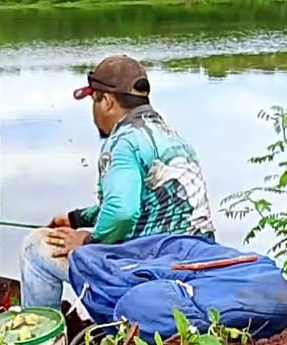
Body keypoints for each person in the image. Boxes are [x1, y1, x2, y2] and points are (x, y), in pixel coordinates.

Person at [20, 54, 217, 310]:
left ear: (108, 102)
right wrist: (77, 219)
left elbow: (123, 212)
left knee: (35, 248)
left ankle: (41, 341)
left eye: (94, 100)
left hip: (148, 272)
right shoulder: (171, 138)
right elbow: (143, 204)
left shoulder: (124, 142)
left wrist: (88, 241)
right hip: (194, 262)